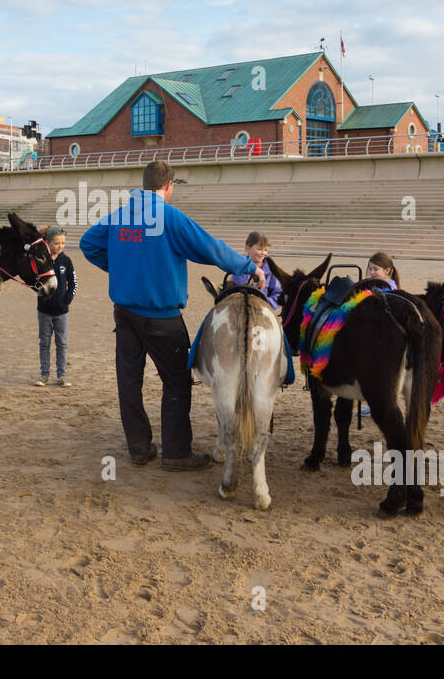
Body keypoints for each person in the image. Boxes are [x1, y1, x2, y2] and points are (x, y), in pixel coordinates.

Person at [80, 161, 264, 471]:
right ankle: (176, 454)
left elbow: (88, 243)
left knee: (129, 381)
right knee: (177, 382)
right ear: (169, 186)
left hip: (125, 315)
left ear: (143, 185)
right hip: (162, 317)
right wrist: (248, 266)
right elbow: (211, 248)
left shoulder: (120, 215)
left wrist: (122, 270)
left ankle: (139, 448)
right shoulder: (169, 216)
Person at [34, 227, 76, 387]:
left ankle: (61, 375)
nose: (60, 246)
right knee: (44, 343)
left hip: (62, 312)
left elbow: (73, 283)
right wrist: (41, 294)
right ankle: (44, 375)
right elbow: (35, 281)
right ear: (48, 243)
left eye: (63, 243)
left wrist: (67, 299)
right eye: (57, 243)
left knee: (62, 343)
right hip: (44, 311)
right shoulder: (42, 260)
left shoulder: (66, 261)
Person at [228, 231, 283, 307]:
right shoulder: (239, 268)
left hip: (261, 310)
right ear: (248, 248)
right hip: (240, 309)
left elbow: (278, 293)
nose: (263, 253)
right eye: (260, 249)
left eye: (265, 250)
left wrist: (266, 304)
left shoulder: (271, 271)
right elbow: (231, 290)